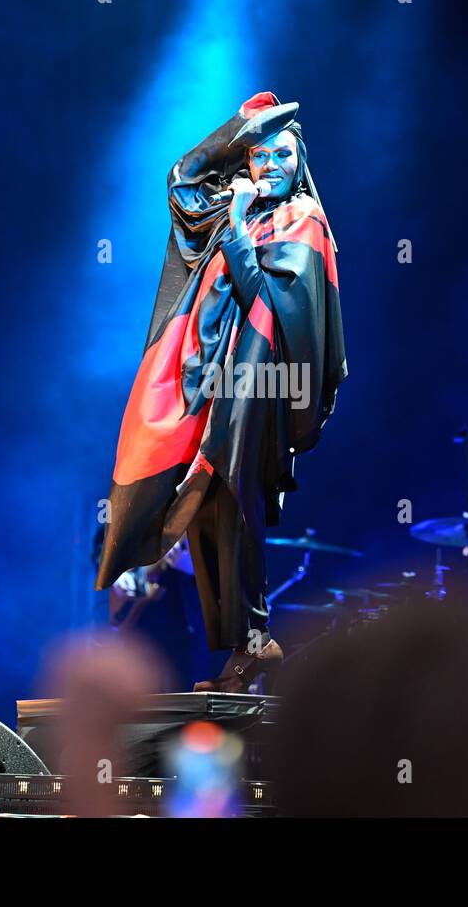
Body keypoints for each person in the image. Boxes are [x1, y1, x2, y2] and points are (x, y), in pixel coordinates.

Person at [95, 92, 346, 693]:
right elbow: (182, 180)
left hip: (261, 384)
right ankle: (244, 650)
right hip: (220, 384)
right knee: (211, 511)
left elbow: (269, 298)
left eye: (282, 153)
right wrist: (241, 128)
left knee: (233, 503)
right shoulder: (249, 210)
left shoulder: (303, 221)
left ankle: (254, 645)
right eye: (259, 156)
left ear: (300, 159)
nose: (270, 164)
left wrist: (234, 224)